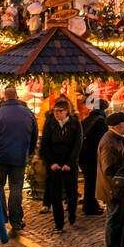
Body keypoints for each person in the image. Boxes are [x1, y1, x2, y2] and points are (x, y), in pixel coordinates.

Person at [0, 85, 38, 234]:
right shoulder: (28, 113)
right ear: (17, 98)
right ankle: (16, 220)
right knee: (16, 188)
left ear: (4, 98)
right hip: (20, 157)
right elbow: (34, 135)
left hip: (0, 157)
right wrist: (29, 151)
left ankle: (2, 217)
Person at [39, 97, 81, 232]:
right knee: (55, 195)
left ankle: (72, 214)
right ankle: (59, 223)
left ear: (67, 111)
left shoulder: (75, 123)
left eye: (60, 111)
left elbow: (77, 145)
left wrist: (70, 163)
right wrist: (51, 163)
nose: (57, 113)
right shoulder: (50, 123)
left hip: (70, 162)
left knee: (72, 192)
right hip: (54, 164)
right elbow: (45, 144)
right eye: (55, 111)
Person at [96, 111, 124, 247]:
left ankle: (117, 245)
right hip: (111, 187)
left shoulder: (118, 138)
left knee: (117, 216)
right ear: (116, 127)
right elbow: (108, 168)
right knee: (113, 217)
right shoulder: (109, 142)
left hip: (115, 186)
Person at [78, 96, 108, 215]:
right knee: (92, 181)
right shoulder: (101, 121)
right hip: (92, 156)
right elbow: (102, 141)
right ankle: (89, 206)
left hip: (83, 155)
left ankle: (90, 204)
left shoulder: (87, 120)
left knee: (89, 181)